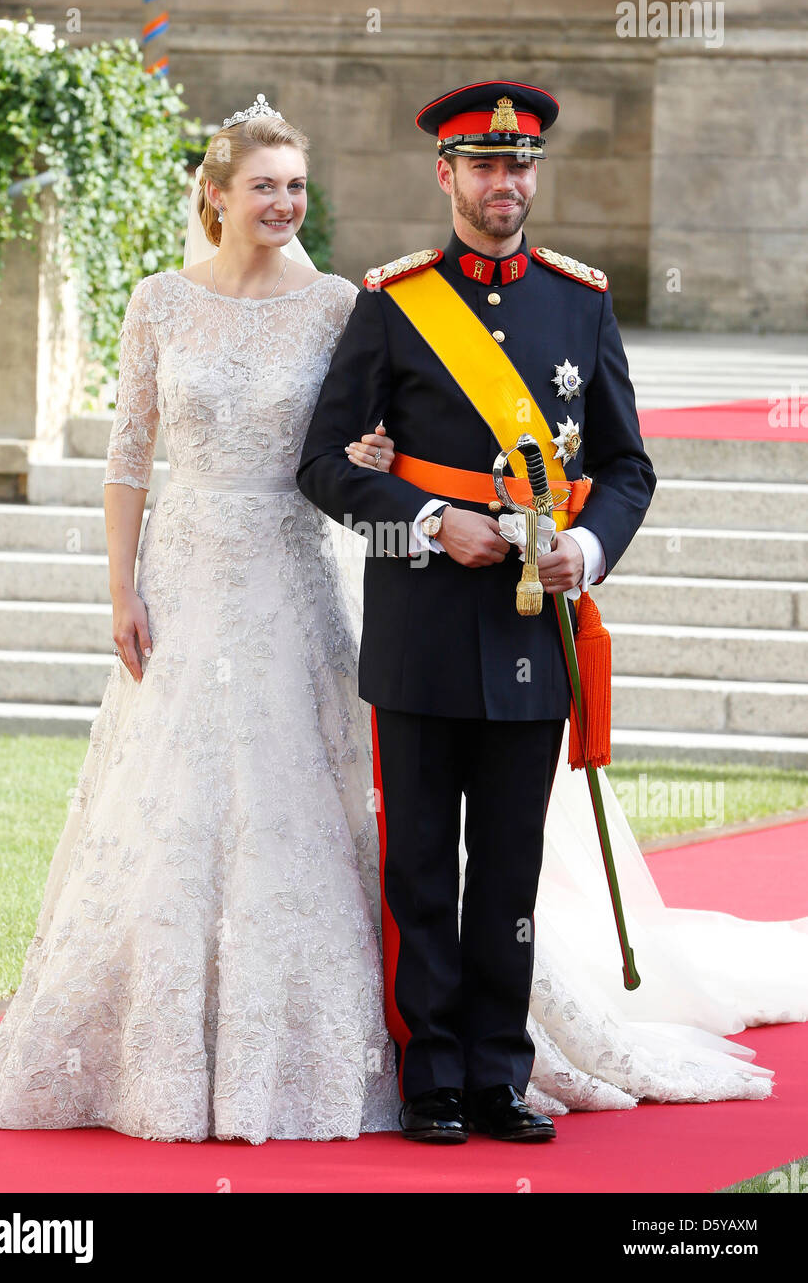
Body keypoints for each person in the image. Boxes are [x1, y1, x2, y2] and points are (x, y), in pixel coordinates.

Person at [296, 78, 807, 1144]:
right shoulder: (391, 301)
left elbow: (625, 467)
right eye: (483, 165)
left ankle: (497, 1071)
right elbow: (322, 469)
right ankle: (430, 1074)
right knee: (422, 862)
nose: (504, 183)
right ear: (446, 174)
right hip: (422, 624)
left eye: (518, 164)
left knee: (513, 866)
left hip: (535, 629)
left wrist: (584, 544)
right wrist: (431, 518)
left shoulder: (580, 299)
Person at [0, 99, 402, 1142]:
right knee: (168, 801)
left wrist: (371, 459)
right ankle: (144, 1039)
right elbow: (128, 458)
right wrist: (119, 588)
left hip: (289, 574)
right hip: (185, 571)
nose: (284, 202)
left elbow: (354, 438)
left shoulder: (338, 305)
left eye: (296, 185)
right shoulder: (159, 300)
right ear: (215, 197)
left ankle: (297, 1042)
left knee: (290, 790)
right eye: (264, 185)